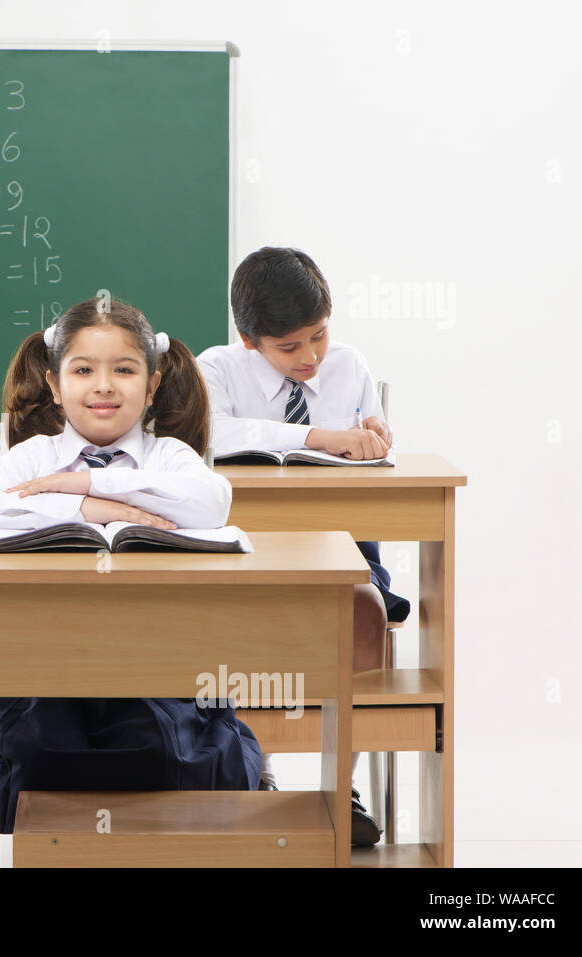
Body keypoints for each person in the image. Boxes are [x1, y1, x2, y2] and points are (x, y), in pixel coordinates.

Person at [0, 297, 262, 834]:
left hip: (156, 661)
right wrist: (88, 509)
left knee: (154, 744)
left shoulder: (169, 456)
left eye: (123, 370)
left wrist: (89, 479)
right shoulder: (34, 455)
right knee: (46, 747)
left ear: (153, 384)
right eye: (83, 370)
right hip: (44, 662)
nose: (103, 386)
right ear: (54, 384)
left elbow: (213, 503)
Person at [198, 246, 409, 845]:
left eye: (318, 336)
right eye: (289, 347)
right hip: (248, 545)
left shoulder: (348, 364)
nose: (310, 357)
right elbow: (211, 435)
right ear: (250, 339)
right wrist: (323, 435)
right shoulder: (217, 368)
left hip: (341, 543)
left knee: (363, 611)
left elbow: (378, 451)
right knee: (228, 625)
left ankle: (344, 787)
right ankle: (250, 769)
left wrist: (372, 436)